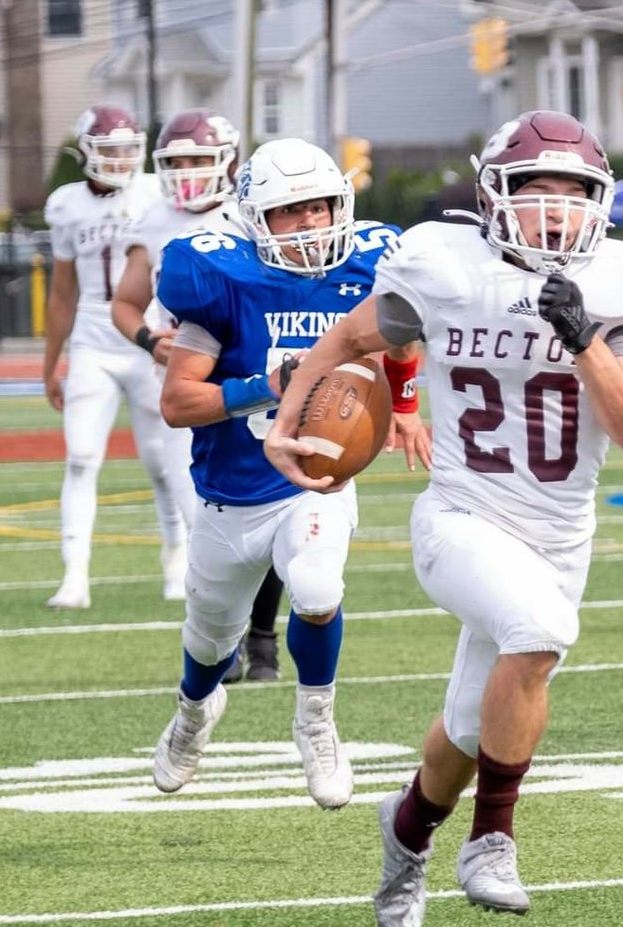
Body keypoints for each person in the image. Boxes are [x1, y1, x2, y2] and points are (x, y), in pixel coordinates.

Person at [263, 110, 623, 925]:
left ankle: (405, 833)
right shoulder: (443, 264)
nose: (554, 208)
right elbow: (349, 338)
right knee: (539, 633)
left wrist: (584, 338)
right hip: (460, 515)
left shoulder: (622, 277)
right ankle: (492, 840)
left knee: (464, 725)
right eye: (534, 188)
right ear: (494, 195)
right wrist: (286, 422)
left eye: (572, 191)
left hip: (561, 534)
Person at [150, 137, 425, 810]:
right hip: (228, 496)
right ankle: (192, 713)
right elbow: (178, 402)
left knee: (316, 582)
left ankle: (317, 718)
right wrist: (267, 386)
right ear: (254, 220)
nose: (311, 222)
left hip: (316, 482)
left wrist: (408, 404)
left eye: (321, 206)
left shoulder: (367, 263)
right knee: (210, 640)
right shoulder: (221, 276)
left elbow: (402, 332)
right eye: (290, 210)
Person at [111, 107, 284, 675]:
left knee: (277, 509)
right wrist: (148, 341)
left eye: (197, 160)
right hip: (189, 387)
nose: (186, 172)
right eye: (176, 161)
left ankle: (262, 636)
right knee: (207, 518)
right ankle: (228, 641)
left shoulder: (256, 215)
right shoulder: (153, 220)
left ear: (229, 163)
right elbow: (126, 302)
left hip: (257, 379)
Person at [42, 103, 188, 610]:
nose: (120, 158)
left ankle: (176, 556)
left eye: (128, 148)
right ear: (85, 151)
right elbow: (62, 293)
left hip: (150, 337)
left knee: (163, 463)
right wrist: (50, 362)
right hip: (93, 340)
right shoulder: (66, 204)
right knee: (81, 457)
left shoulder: (158, 192)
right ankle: (75, 576)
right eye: (108, 149)